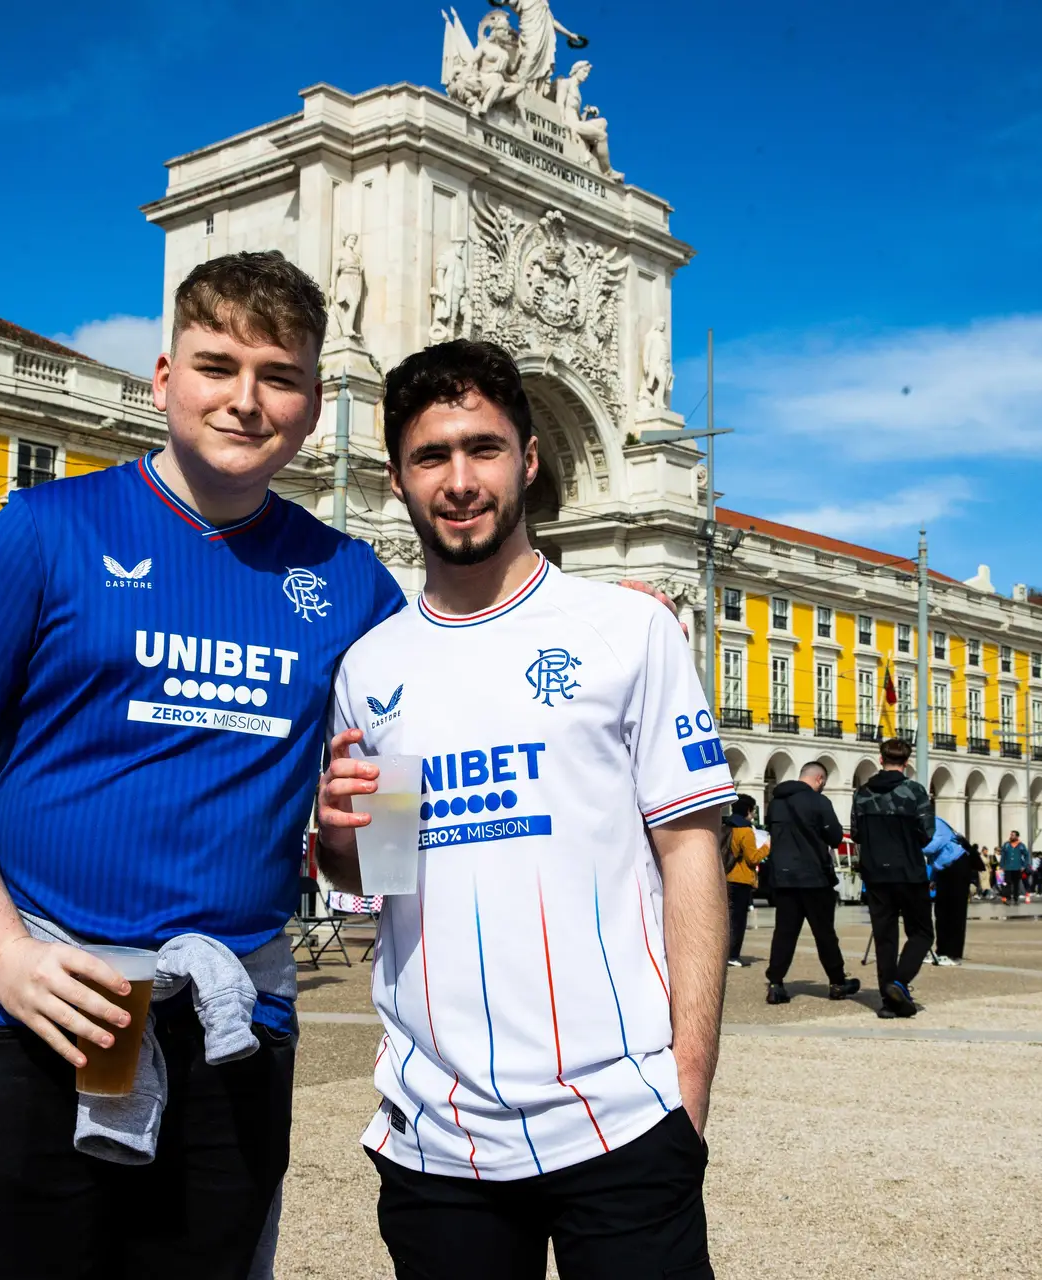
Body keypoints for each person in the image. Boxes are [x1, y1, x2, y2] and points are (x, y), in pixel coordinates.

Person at [0, 252, 402, 1278]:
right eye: (218, 366)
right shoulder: (43, 530)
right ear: (165, 380)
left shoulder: (352, 582)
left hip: (232, 1015)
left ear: (311, 407)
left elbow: (372, 857)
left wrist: (353, 832)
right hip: (36, 992)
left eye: (279, 376)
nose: (246, 400)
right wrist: (7, 957)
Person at [317, 338, 729, 1279]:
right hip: (436, 1136)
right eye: (432, 456)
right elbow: (381, 871)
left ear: (529, 460)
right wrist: (337, 843)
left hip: (624, 1120)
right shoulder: (372, 666)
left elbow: (691, 853)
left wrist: (689, 1085)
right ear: (397, 480)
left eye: (483, 449)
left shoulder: (630, 629)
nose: (459, 481)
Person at [850, 738, 936, 1019]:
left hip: (875, 874)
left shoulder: (862, 793)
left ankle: (889, 1003)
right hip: (909, 872)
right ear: (907, 762)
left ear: (880, 759)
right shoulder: (915, 792)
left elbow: (857, 834)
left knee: (885, 938)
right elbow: (927, 834)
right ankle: (899, 982)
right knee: (922, 932)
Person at [761, 763, 860, 1002]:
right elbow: (836, 837)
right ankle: (837, 982)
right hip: (814, 877)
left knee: (784, 932)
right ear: (819, 779)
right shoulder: (819, 802)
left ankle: (775, 983)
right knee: (824, 933)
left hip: (784, 877)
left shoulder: (775, 803)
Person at [722, 796, 767, 969]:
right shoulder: (745, 831)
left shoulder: (726, 827)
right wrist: (767, 845)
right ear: (748, 810)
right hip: (740, 879)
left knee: (726, 919)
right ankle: (733, 955)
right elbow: (753, 858)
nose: (753, 814)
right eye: (753, 810)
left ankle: (723, 953)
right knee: (738, 920)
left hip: (725, 877)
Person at [928, 818, 974, 966]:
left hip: (958, 864)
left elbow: (934, 846)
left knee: (955, 911)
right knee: (940, 912)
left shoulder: (935, 822)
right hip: (943, 868)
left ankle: (954, 954)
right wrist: (934, 877)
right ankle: (941, 951)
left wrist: (909, 846)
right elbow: (933, 857)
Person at [998, 831, 1029, 905]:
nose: (1011, 836)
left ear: (1017, 837)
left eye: (1013, 835)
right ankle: (1007, 898)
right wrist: (1001, 866)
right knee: (1007, 884)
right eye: (1011, 835)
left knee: (1016, 884)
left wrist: (1024, 866)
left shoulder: (1021, 845)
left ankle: (1016, 898)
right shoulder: (1006, 844)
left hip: (1017, 868)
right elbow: (1003, 856)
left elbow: (1026, 855)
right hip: (1007, 868)